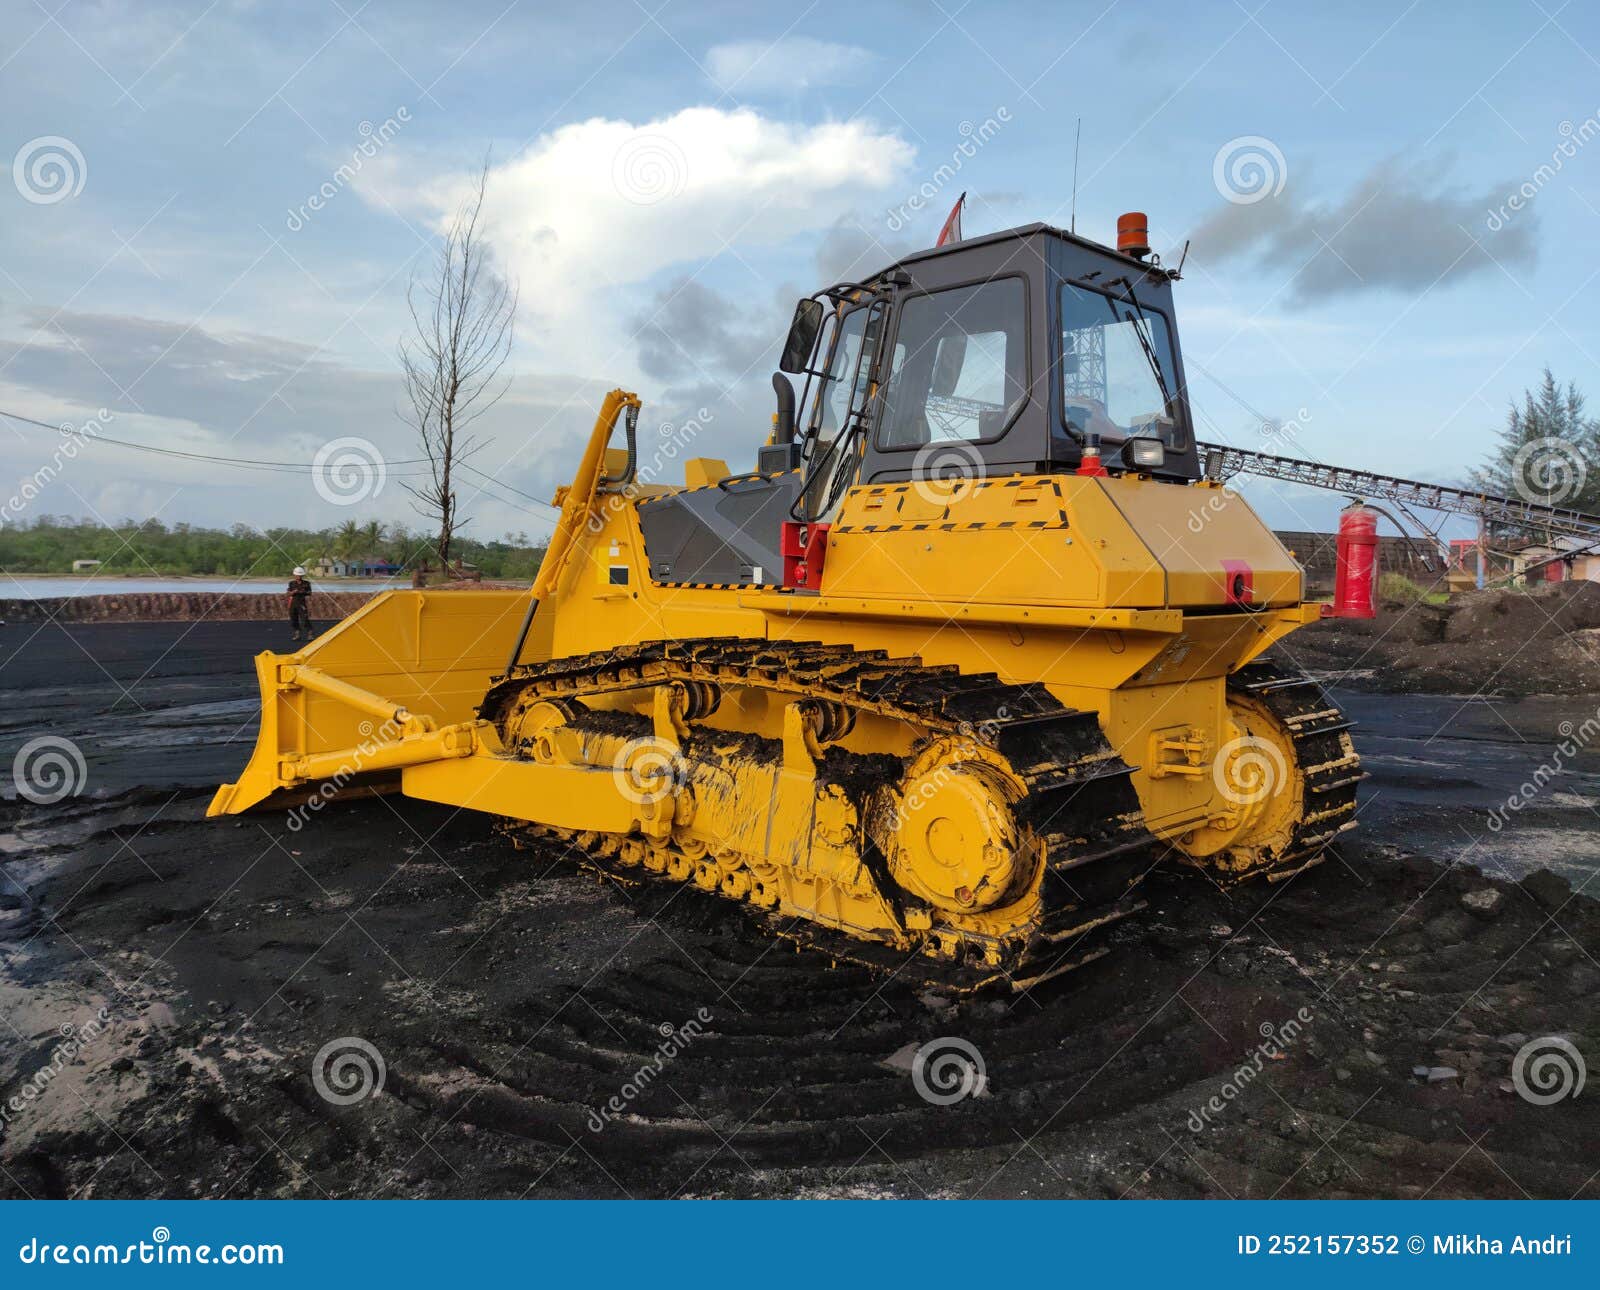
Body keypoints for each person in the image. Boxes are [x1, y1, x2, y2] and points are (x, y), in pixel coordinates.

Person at [286, 567, 313, 642]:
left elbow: (310, 593)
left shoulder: (306, 583)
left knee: (304, 619)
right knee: (293, 619)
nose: (299, 577)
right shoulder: (291, 583)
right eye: (297, 575)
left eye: (300, 575)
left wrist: (302, 592)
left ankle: (310, 633)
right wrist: (293, 592)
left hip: (301, 603)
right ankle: (297, 634)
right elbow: (288, 593)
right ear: (294, 575)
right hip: (292, 604)